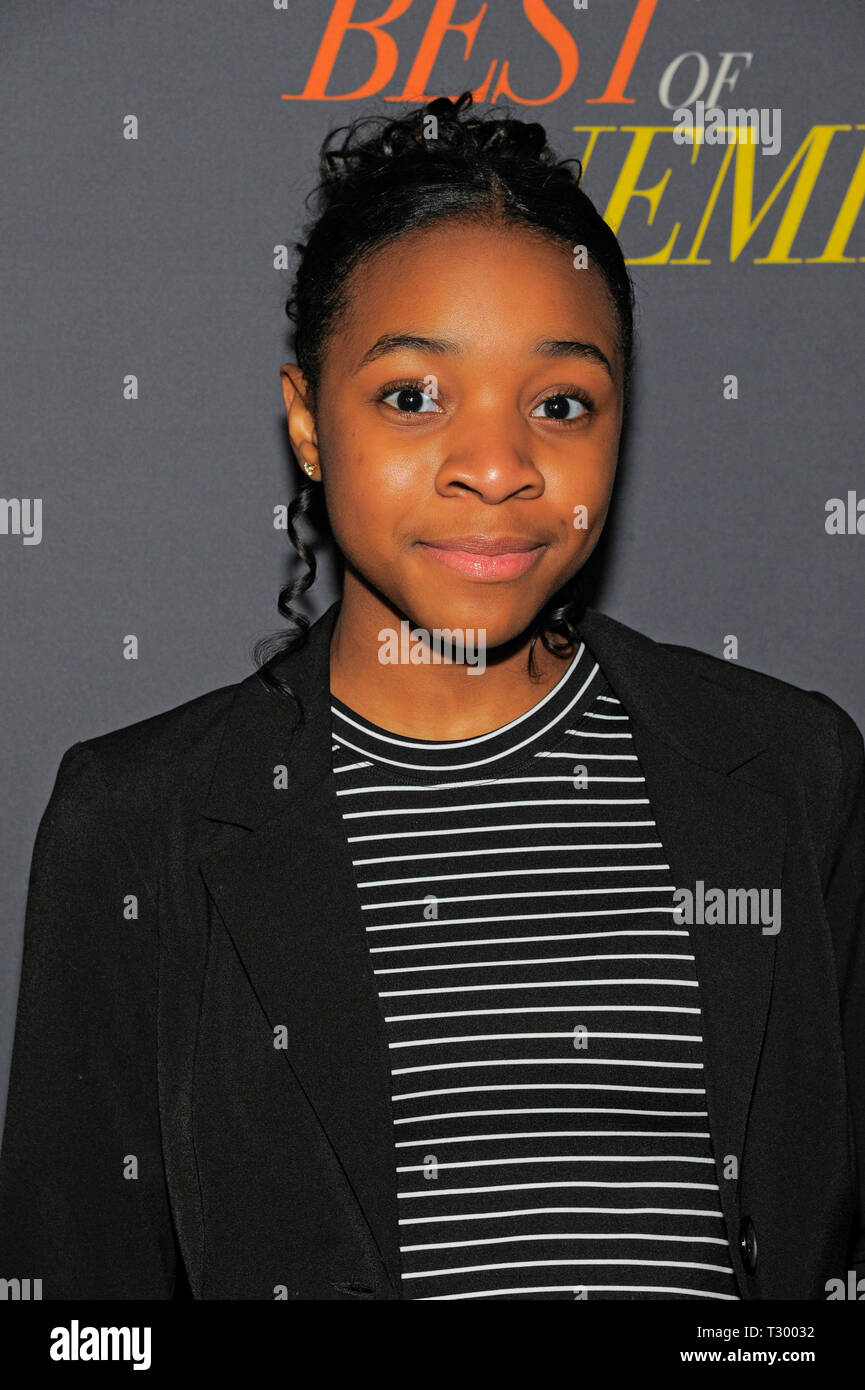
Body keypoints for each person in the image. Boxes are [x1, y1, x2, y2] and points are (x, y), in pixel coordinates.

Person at [0, 91, 862, 1302]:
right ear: (307, 422)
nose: (500, 466)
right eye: (413, 396)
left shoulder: (789, 774)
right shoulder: (141, 821)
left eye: (560, 403)